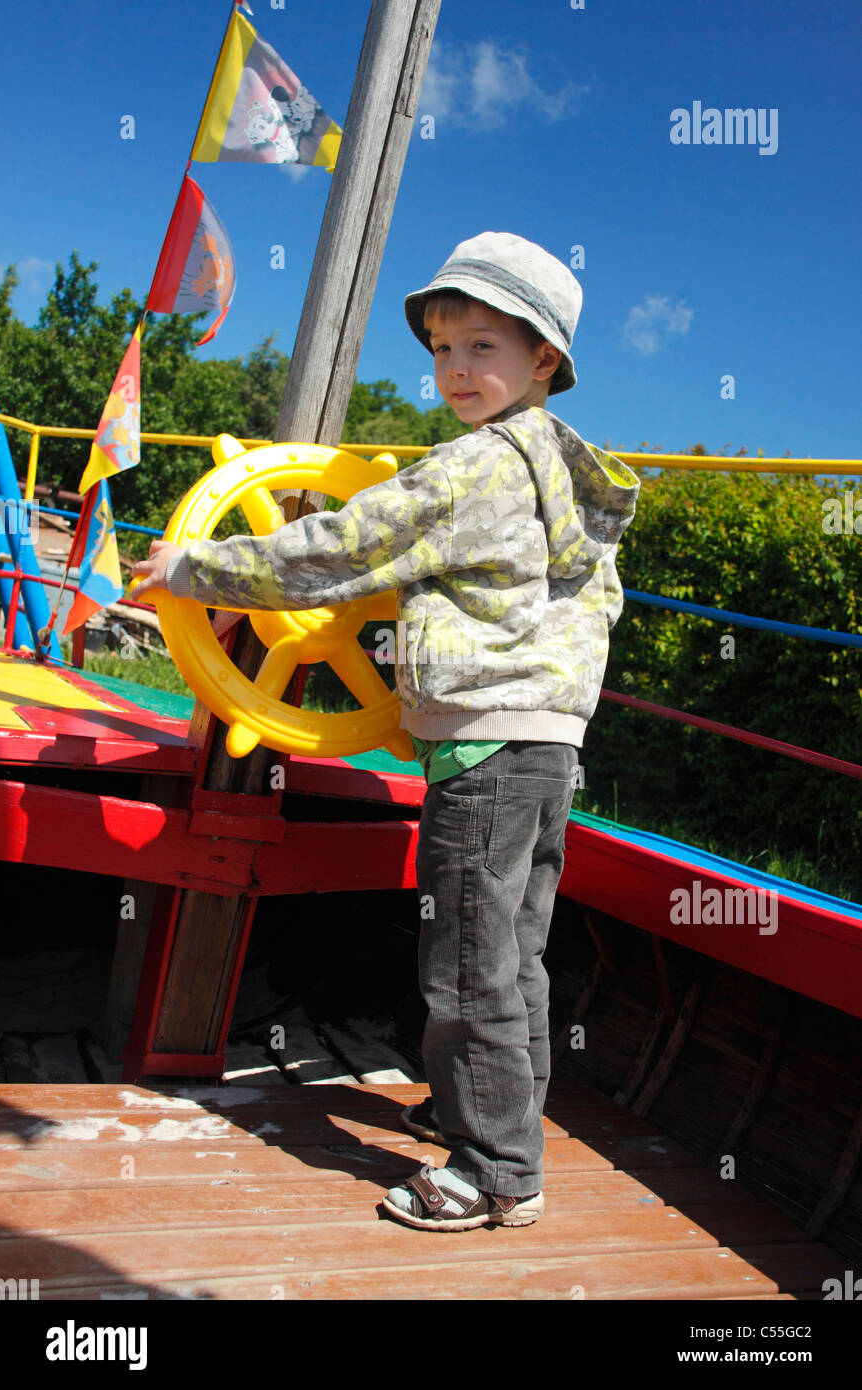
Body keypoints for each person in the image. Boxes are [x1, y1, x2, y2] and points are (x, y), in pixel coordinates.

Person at [131, 231, 640, 1233]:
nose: (455, 368)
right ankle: (490, 1115)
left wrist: (198, 568)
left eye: (482, 346)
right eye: (445, 347)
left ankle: (495, 1165)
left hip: (485, 749)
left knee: (464, 961)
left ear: (543, 360)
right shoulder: (566, 482)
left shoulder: (478, 467)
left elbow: (340, 548)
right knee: (512, 952)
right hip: (547, 747)